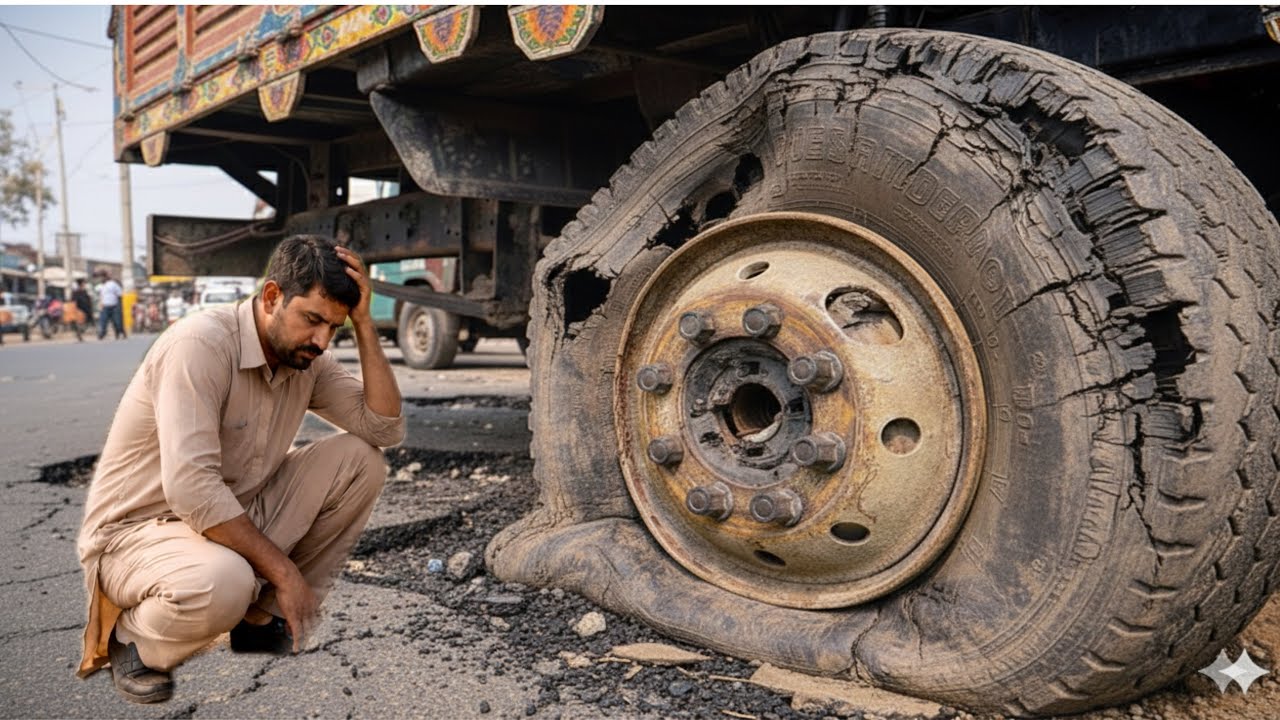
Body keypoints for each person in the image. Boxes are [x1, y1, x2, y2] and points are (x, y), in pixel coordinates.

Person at [75, 235, 405, 704]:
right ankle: (132, 640)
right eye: (312, 319)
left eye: (335, 327)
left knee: (361, 461)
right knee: (224, 582)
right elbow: (192, 490)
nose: (322, 340)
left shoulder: (306, 358)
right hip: (138, 534)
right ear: (271, 297)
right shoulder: (200, 345)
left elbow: (384, 428)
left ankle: (260, 618)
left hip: (227, 518)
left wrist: (366, 325)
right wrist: (286, 573)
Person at [96, 273, 126, 340]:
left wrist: (119, 305)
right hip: (106, 306)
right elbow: (101, 296)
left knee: (115, 321)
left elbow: (119, 294)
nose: (101, 279)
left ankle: (119, 333)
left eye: (102, 277)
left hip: (113, 306)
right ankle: (102, 334)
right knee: (104, 321)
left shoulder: (112, 284)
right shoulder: (102, 286)